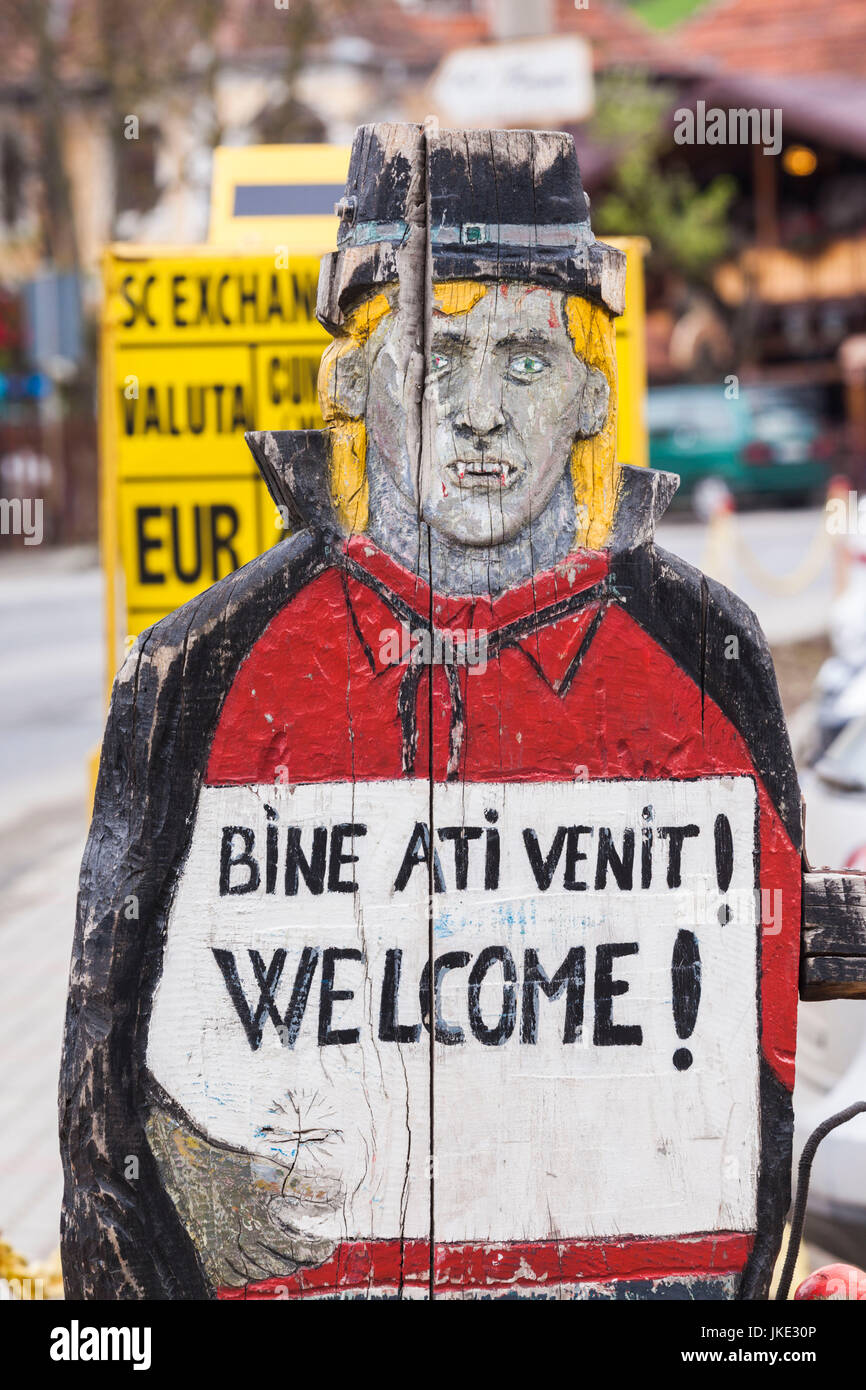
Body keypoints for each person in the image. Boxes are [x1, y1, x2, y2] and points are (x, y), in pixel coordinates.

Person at [61, 124, 801, 1301]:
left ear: (590, 395)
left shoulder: (701, 657)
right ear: (351, 381)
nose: (477, 413)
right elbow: (104, 1047)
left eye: (525, 360)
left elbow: (754, 1071)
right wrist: (164, 1159)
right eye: (433, 355)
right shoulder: (205, 666)